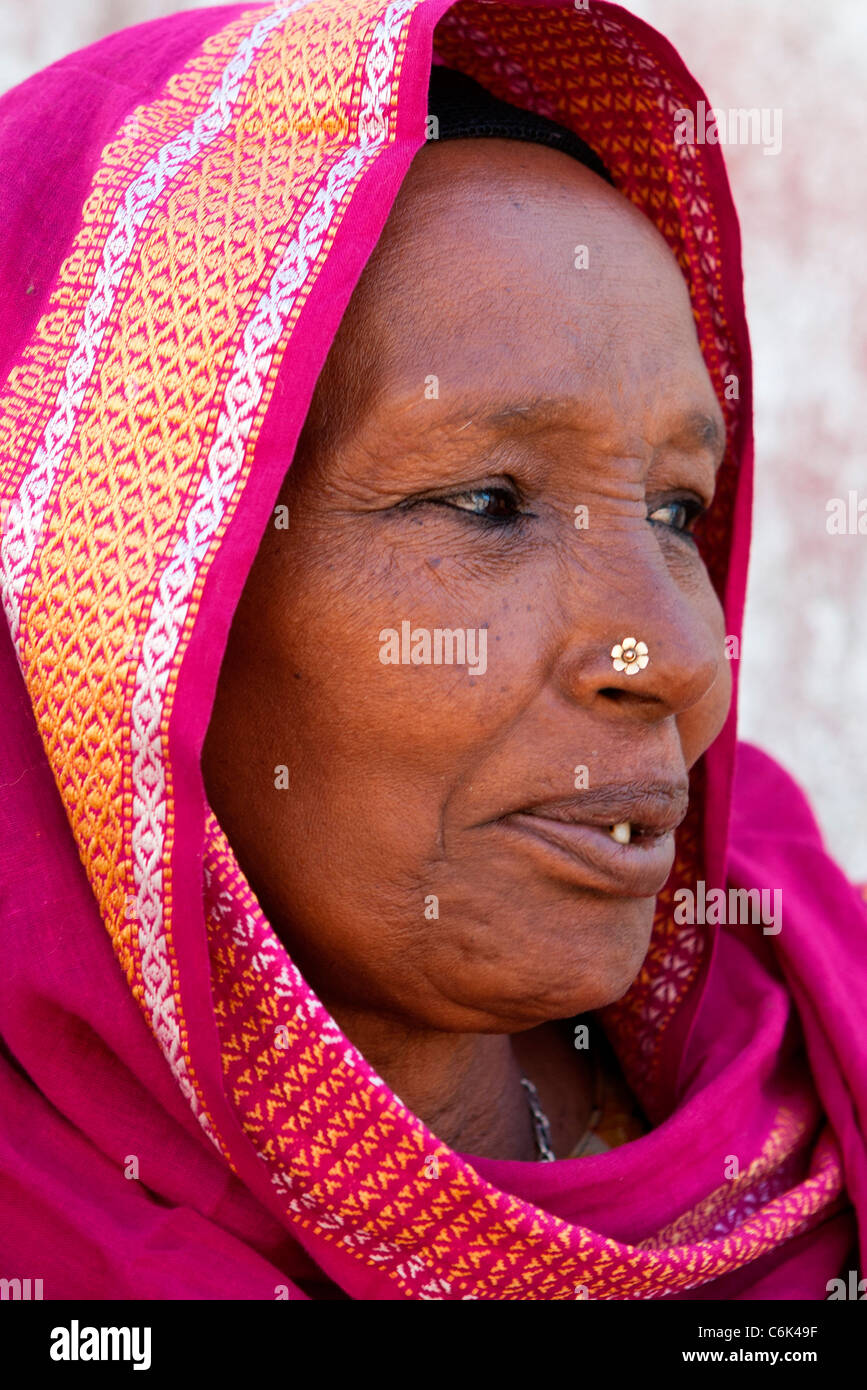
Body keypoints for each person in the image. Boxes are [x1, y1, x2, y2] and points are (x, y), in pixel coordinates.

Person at [0, 0, 864, 1301]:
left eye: (679, 508)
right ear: (111, 600)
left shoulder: (804, 1030)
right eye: (489, 502)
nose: (681, 658)